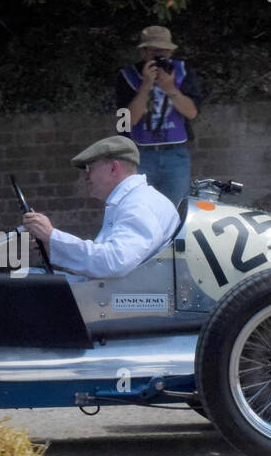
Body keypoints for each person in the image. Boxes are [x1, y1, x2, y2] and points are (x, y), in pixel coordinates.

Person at [22, 135, 180, 279]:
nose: (86, 176)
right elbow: (107, 261)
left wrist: (52, 236)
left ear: (113, 168)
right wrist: (52, 244)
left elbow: (113, 264)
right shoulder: (131, 200)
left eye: (90, 168)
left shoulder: (138, 204)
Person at [115, 25, 204, 206]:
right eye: (154, 51)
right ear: (143, 52)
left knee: (176, 209)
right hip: (139, 155)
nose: (159, 57)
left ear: (171, 52)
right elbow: (127, 122)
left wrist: (170, 88)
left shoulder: (183, 73)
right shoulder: (127, 76)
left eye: (164, 52)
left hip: (175, 154)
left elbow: (192, 112)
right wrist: (146, 86)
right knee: (137, 208)